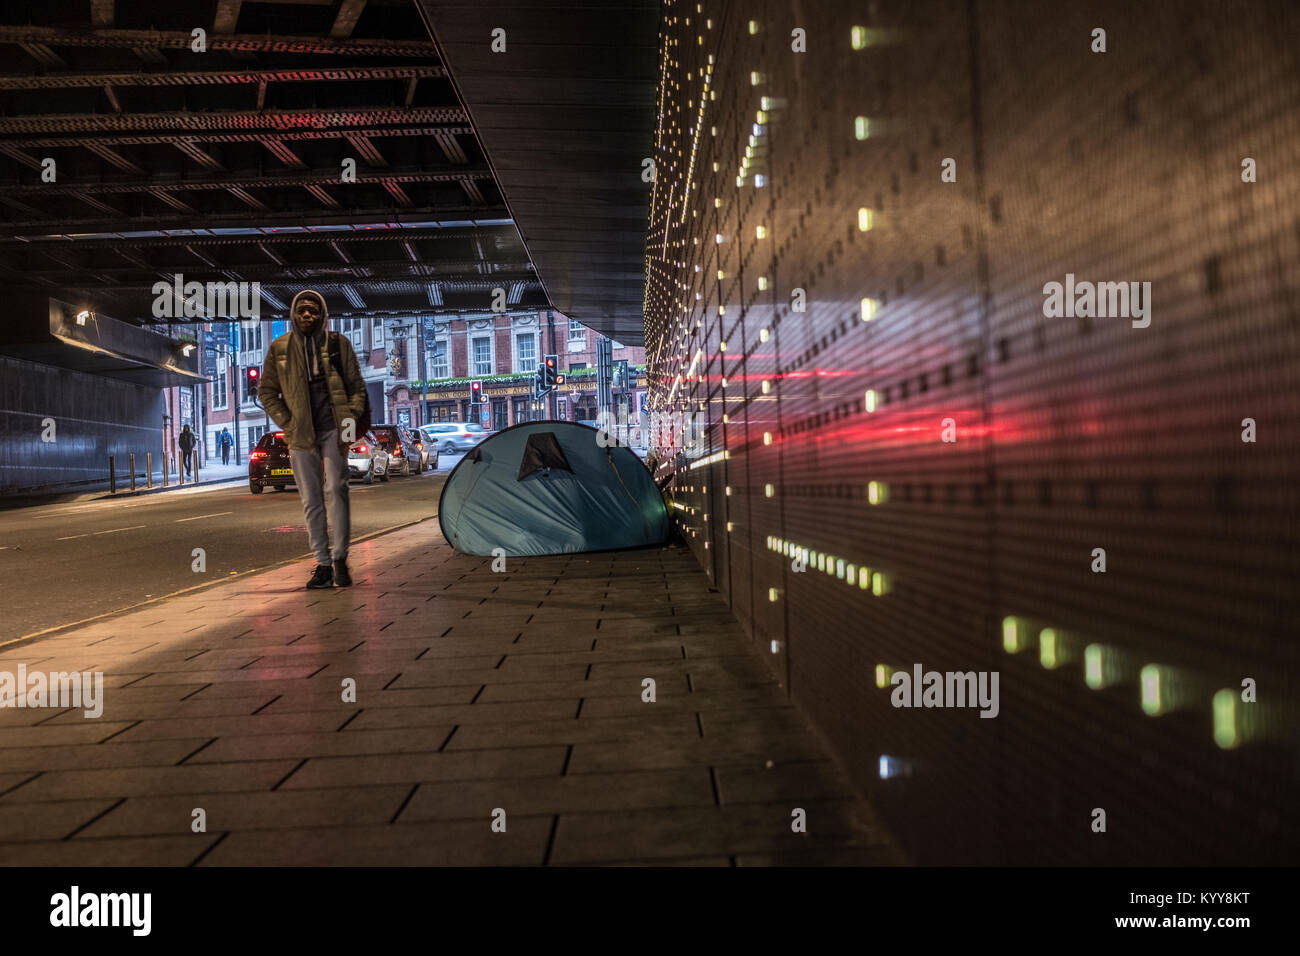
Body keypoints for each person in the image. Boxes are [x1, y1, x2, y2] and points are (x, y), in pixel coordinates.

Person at [257, 290, 366, 590]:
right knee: (311, 500)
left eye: (314, 311)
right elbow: (265, 391)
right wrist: (287, 422)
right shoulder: (279, 349)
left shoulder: (337, 344)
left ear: (323, 315)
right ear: (293, 315)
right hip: (300, 433)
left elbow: (357, 388)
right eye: (302, 310)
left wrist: (350, 419)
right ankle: (323, 564)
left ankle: (341, 558)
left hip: (335, 427)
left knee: (337, 489)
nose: (307, 315)